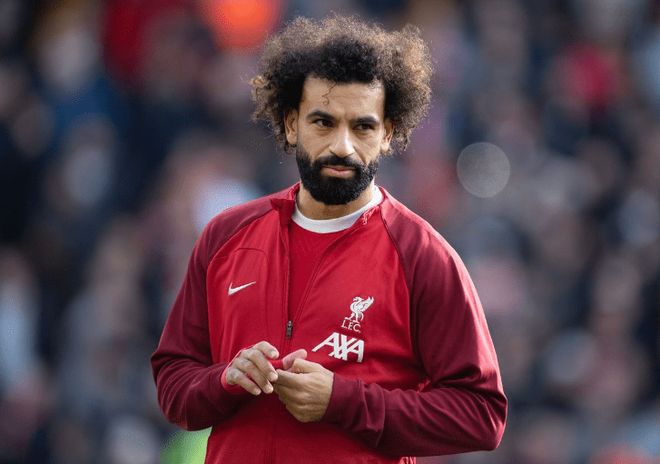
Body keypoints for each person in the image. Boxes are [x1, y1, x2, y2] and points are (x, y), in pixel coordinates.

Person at [151, 15, 507, 464]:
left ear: (388, 133)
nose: (343, 146)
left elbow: (482, 415)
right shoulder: (226, 236)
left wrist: (344, 401)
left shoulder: (423, 256)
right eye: (323, 122)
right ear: (290, 124)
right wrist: (224, 380)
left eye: (362, 127)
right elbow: (173, 383)